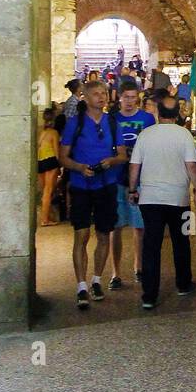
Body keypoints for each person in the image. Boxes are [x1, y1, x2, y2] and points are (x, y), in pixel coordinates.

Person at [129, 95, 196, 309]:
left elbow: (134, 166)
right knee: (182, 241)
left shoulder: (145, 135)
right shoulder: (184, 135)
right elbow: (192, 165)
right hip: (179, 198)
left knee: (151, 245)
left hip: (150, 198)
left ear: (158, 113)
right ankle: (183, 283)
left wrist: (133, 189)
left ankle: (149, 295)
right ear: (177, 114)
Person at [58, 80, 127, 309]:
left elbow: (123, 155)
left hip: (106, 184)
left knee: (104, 233)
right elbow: (63, 157)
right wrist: (79, 168)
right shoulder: (74, 123)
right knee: (82, 234)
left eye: (104, 93)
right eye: (96, 94)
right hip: (81, 185)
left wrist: (111, 161)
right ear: (85, 98)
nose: (101, 97)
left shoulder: (112, 123)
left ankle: (97, 279)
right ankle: (81, 285)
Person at [109, 78, 154, 289]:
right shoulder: (111, 119)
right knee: (114, 227)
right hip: (116, 177)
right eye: (126, 97)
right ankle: (115, 272)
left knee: (140, 227)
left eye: (133, 98)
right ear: (119, 97)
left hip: (141, 177)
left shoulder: (146, 119)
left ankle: (139, 266)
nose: (129, 101)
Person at [37, 108, 61, 227]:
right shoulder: (54, 133)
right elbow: (56, 151)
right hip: (51, 161)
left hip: (40, 161)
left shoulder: (42, 133)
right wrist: (60, 165)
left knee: (44, 192)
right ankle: (44, 219)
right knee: (48, 191)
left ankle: (47, 216)